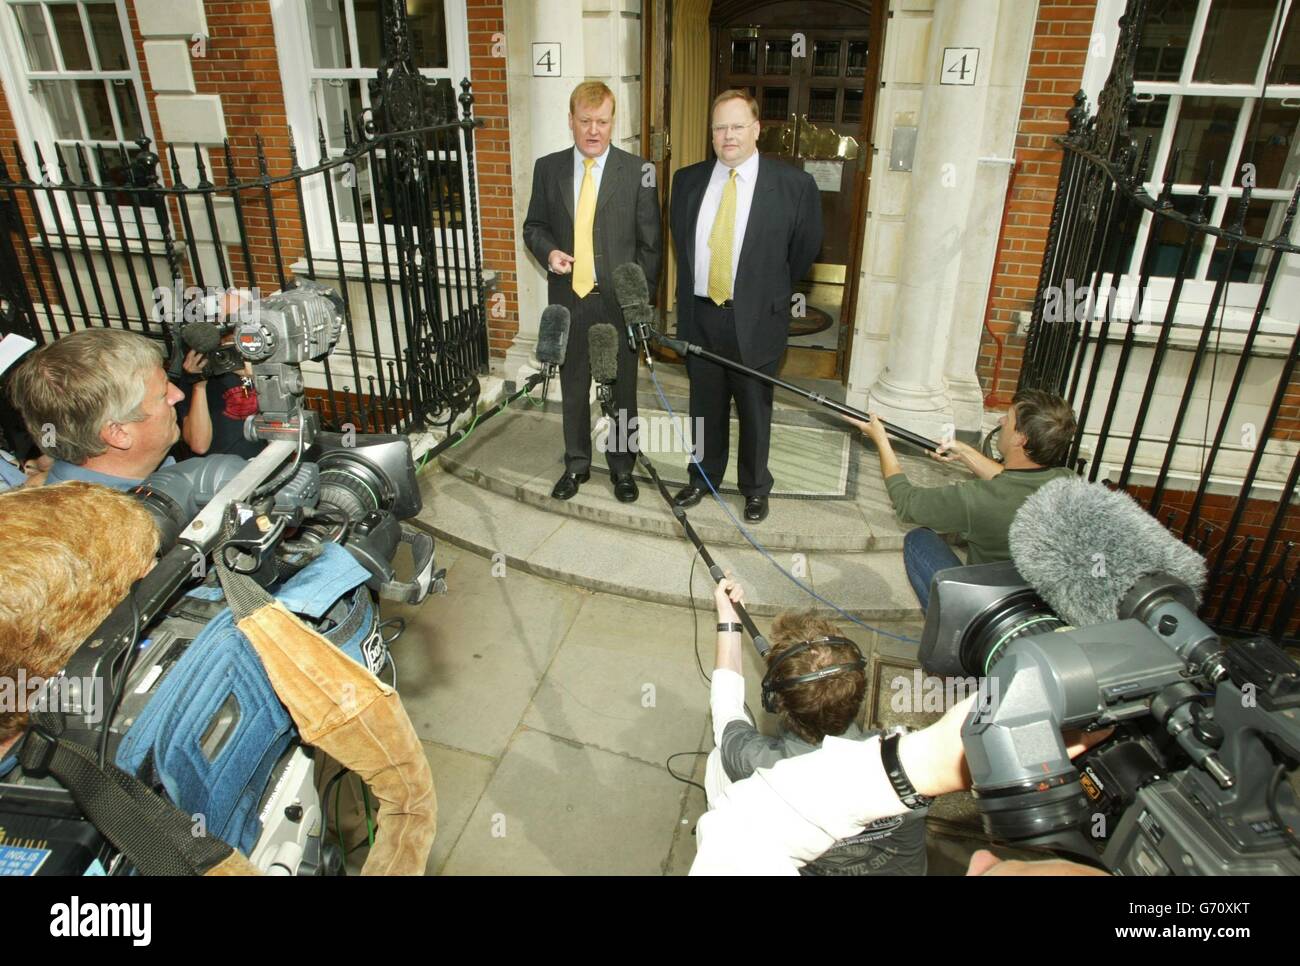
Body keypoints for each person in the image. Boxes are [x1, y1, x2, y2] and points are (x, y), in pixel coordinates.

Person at [690, 689, 1112, 876]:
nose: (981, 857)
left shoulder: (762, 760)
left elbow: (734, 831)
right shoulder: (884, 742)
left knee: (719, 764)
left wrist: (918, 762)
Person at [669, 90, 823, 524]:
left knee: (755, 407)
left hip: (757, 317)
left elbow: (804, 249)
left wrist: (764, 290)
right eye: (720, 127)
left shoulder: (794, 186)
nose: (728, 136)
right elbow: (682, 245)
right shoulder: (687, 181)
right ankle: (703, 477)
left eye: (737, 126)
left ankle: (755, 488)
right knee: (704, 404)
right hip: (701, 314)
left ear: (756, 130)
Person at [707, 577, 927, 875]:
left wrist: (730, 620)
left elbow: (726, 710)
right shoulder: (909, 752)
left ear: (775, 702)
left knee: (718, 762)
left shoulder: (761, 764)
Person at [523, 80, 662, 504]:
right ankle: (577, 463)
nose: (594, 130)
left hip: (617, 303)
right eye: (585, 121)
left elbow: (650, 245)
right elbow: (534, 227)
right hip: (569, 300)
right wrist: (550, 255)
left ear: (612, 121)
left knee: (622, 390)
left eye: (602, 121)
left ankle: (623, 468)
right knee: (574, 384)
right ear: (571, 121)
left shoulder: (638, 171)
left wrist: (638, 306)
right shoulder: (548, 169)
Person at [848, 388, 1078, 609]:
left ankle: (952, 627)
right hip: (1039, 600)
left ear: (1021, 439)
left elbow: (906, 502)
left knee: (918, 540)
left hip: (988, 603)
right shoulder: (1069, 481)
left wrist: (881, 441)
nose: (1000, 421)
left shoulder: (976, 499)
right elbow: (1013, 483)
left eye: (1008, 418)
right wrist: (965, 453)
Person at [6, 328, 185, 491]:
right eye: (163, 394)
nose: (178, 395)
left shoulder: (149, 478)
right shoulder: (115, 521)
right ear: (118, 432)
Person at [177, 349, 265, 459]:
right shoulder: (198, 365)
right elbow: (199, 445)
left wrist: (255, 376)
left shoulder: (255, 356)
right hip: (219, 467)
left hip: (262, 459)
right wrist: (199, 382)